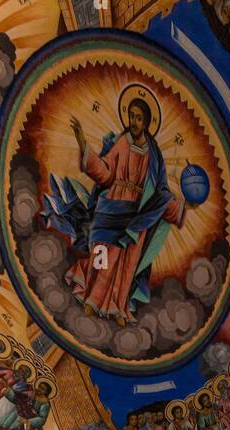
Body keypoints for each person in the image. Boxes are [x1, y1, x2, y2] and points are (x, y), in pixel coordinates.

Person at [61, 95, 186, 323]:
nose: (133, 121)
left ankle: (117, 306)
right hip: (112, 206)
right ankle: (91, 297)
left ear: (147, 122)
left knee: (127, 262)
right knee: (101, 253)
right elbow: (106, 172)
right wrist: (83, 144)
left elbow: (161, 190)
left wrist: (180, 207)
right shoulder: (122, 142)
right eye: (131, 116)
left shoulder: (154, 154)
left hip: (137, 213)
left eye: (138, 118)